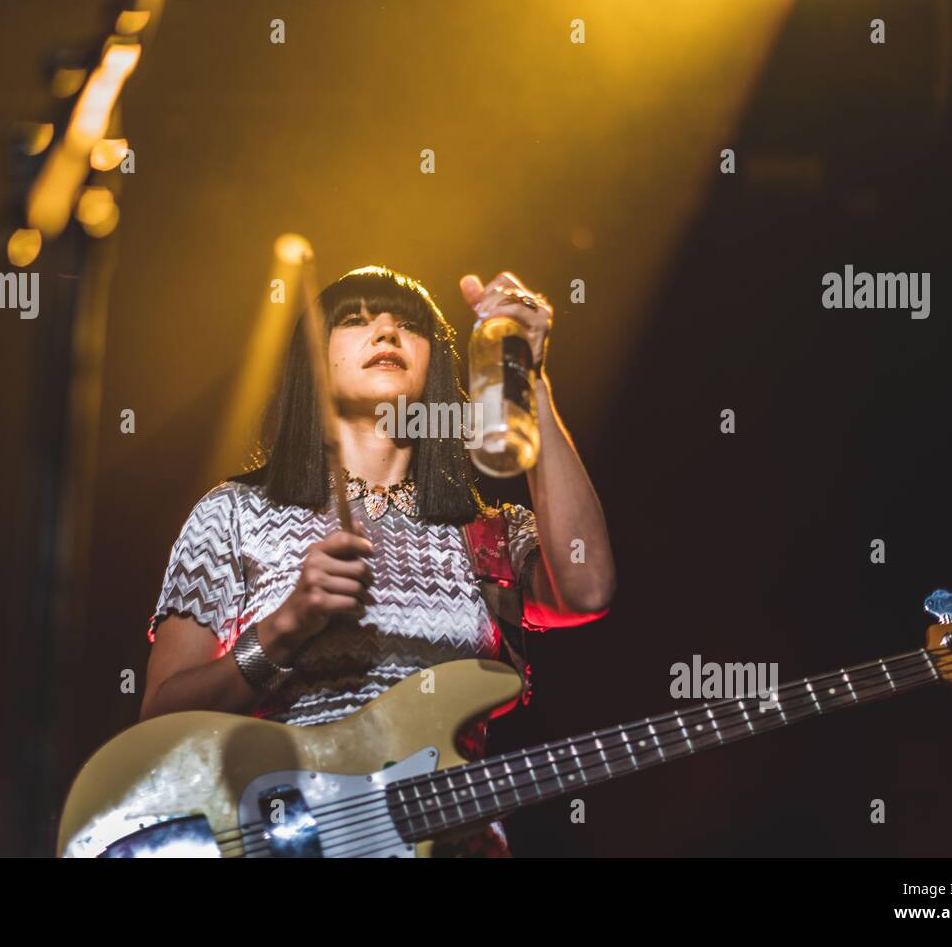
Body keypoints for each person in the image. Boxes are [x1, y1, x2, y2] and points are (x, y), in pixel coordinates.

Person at [141, 265, 615, 856]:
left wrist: (529, 377)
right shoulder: (233, 513)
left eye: (408, 325)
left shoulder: (483, 533)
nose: (386, 331)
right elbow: (161, 725)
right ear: (312, 362)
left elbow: (588, 587)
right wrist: (284, 628)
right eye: (356, 320)